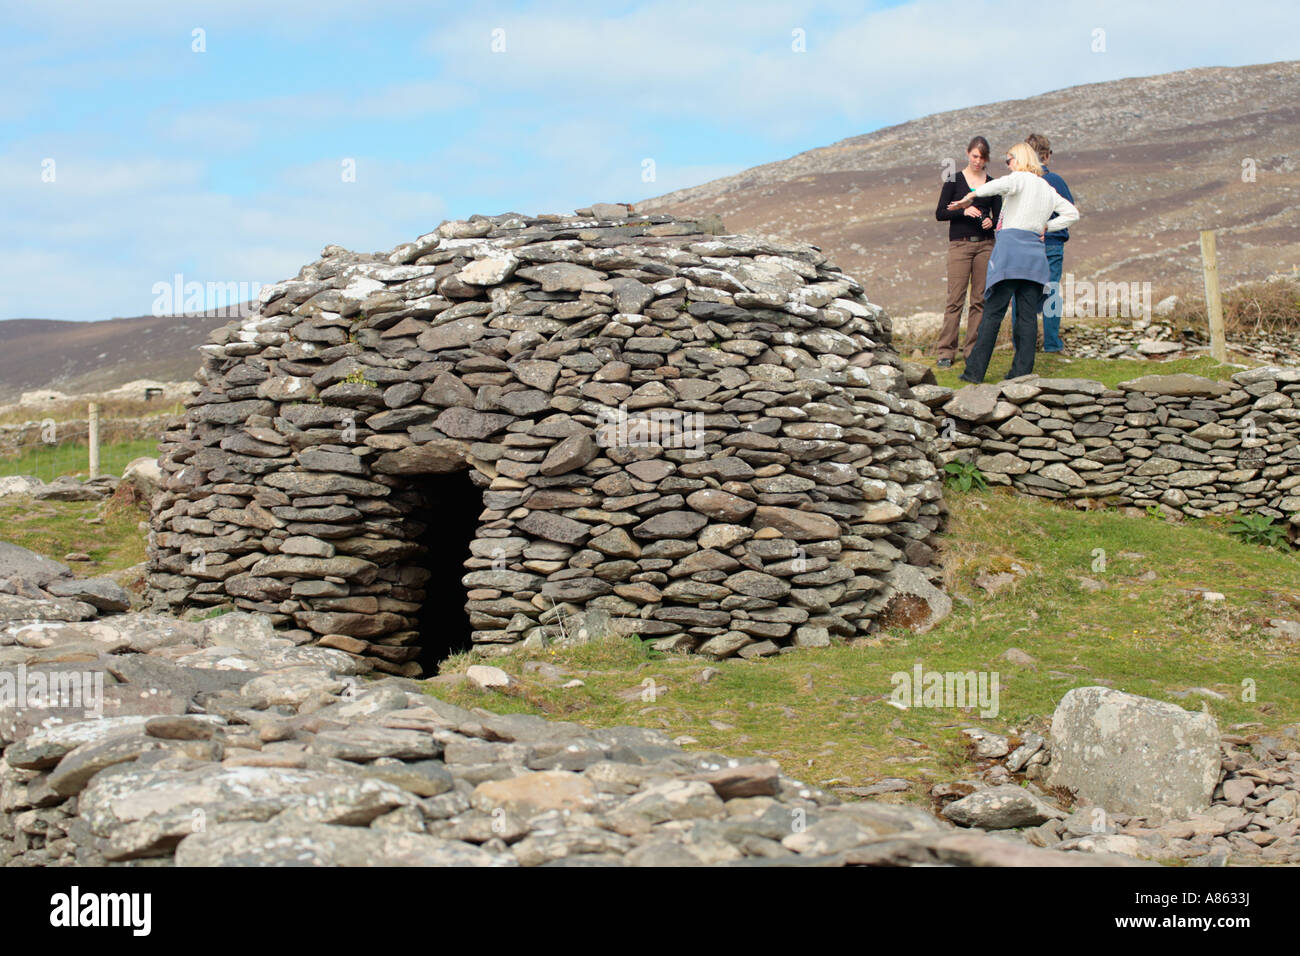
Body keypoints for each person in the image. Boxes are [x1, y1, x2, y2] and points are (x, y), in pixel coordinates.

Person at [947, 142, 1079, 384]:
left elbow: (999, 185)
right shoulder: (1046, 187)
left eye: (1009, 159)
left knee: (993, 313)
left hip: (1010, 253)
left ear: (1019, 160)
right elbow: (1072, 213)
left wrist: (971, 195)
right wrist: (1047, 226)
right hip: (1035, 257)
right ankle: (1022, 374)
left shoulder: (1019, 178)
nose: (1007, 164)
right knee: (1028, 317)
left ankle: (974, 372)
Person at [933, 136, 1002, 368]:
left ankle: (973, 351)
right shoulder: (954, 180)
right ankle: (945, 351)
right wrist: (964, 211)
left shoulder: (992, 184)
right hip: (960, 245)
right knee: (955, 299)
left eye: (982, 158)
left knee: (980, 300)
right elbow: (941, 212)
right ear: (967, 154)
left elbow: (998, 217)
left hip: (985, 245)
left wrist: (990, 222)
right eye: (975, 156)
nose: (978, 161)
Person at [1013, 133, 1074, 352]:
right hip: (1051, 244)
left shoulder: (1018, 182)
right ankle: (1051, 344)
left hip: (1023, 245)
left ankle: (1020, 344)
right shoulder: (1055, 181)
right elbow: (1068, 211)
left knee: (1020, 292)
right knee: (1051, 292)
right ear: (1046, 156)